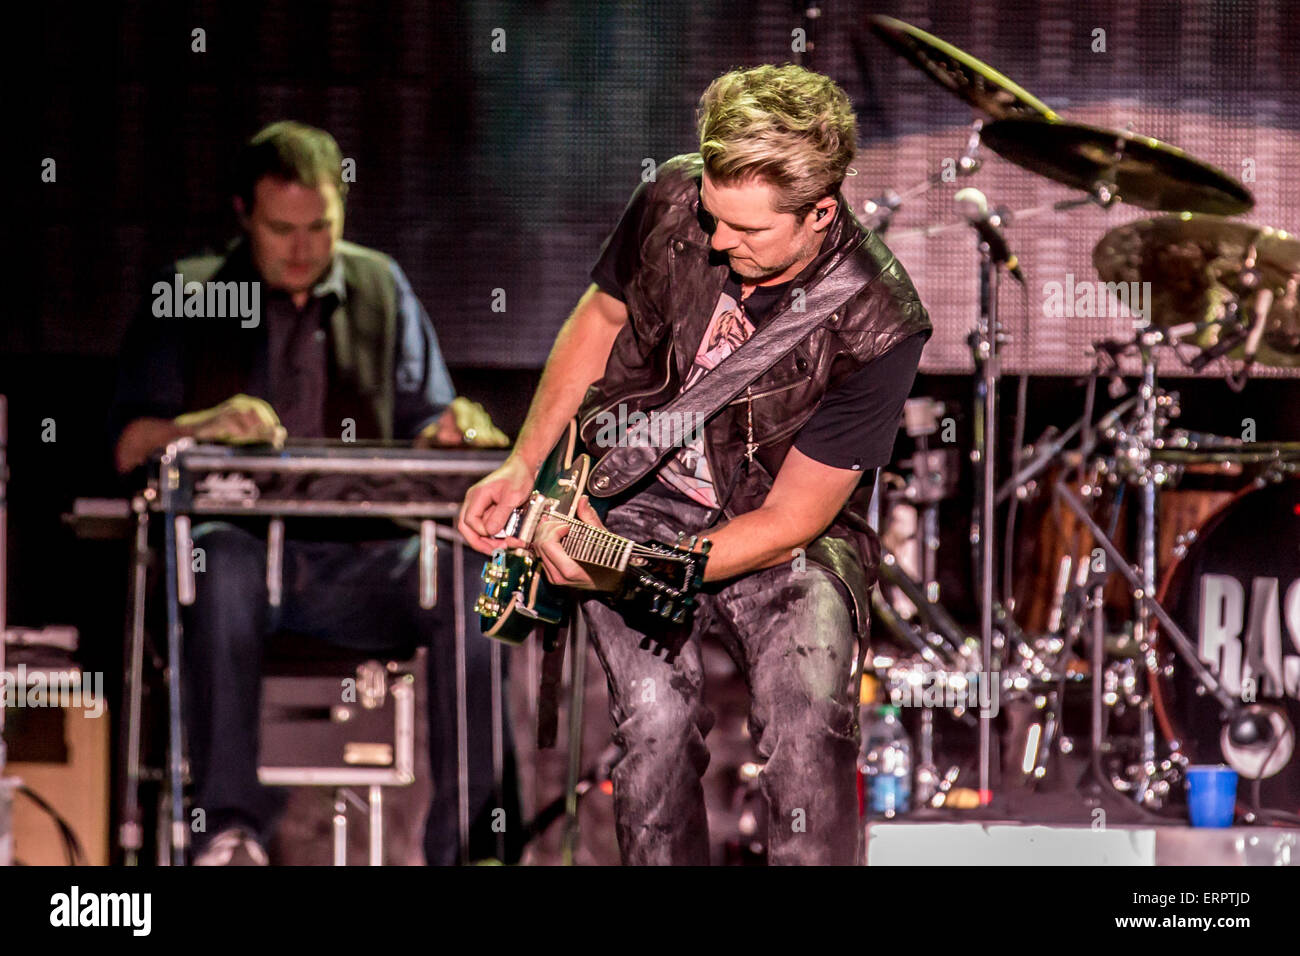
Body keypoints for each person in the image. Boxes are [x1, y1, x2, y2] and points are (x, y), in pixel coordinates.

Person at [460, 64, 931, 866]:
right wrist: (521, 463)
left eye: (746, 230)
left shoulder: (881, 321)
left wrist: (639, 568)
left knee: (808, 720)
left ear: (821, 211)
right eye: (713, 218)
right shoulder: (676, 198)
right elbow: (603, 316)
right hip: (638, 496)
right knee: (653, 726)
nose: (716, 241)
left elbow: (791, 520)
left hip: (779, 526)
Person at [110, 120, 519, 865]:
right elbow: (125, 444)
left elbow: (431, 422)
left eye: (320, 227)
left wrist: (454, 427)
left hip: (366, 567)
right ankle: (228, 833)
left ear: (343, 213)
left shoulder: (379, 286)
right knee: (218, 561)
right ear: (242, 215)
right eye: (281, 229)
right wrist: (203, 423)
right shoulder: (190, 291)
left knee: (473, 576)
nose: (302, 248)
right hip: (246, 566)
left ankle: (471, 846)